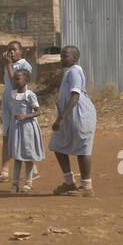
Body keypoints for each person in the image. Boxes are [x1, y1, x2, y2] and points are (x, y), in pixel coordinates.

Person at [49, 46, 97, 197]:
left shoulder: (75, 71)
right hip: (69, 116)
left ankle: (86, 187)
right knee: (57, 145)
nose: (62, 59)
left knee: (82, 149)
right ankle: (69, 182)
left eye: (65, 56)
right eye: (61, 56)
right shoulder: (68, 72)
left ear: (75, 58)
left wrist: (61, 118)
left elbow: (75, 96)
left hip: (80, 115)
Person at [0, 42, 34, 182]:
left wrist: (8, 64)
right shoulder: (8, 64)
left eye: (14, 50)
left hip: (20, 105)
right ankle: (4, 170)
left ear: (21, 52)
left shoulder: (25, 65)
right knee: (6, 136)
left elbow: (15, 83)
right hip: (8, 104)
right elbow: (8, 88)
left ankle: (32, 168)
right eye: (9, 50)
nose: (11, 53)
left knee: (22, 137)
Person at [6, 69, 44, 194]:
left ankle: (28, 183)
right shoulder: (12, 94)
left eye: (18, 79)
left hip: (28, 129)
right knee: (17, 156)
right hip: (16, 129)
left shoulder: (30, 95)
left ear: (26, 80)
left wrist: (25, 116)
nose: (15, 81)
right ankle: (15, 184)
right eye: (14, 79)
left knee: (28, 156)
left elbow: (38, 111)